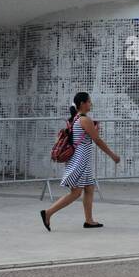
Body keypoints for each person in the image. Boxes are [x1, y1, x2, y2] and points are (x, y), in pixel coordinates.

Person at [40, 92, 120, 230]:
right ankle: (48, 213)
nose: (91, 104)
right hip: (80, 159)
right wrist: (112, 155)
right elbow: (97, 140)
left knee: (89, 188)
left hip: (81, 159)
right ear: (82, 103)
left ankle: (89, 220)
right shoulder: (84, 119)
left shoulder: (76, 119)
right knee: (76, 192)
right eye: (89, 101)